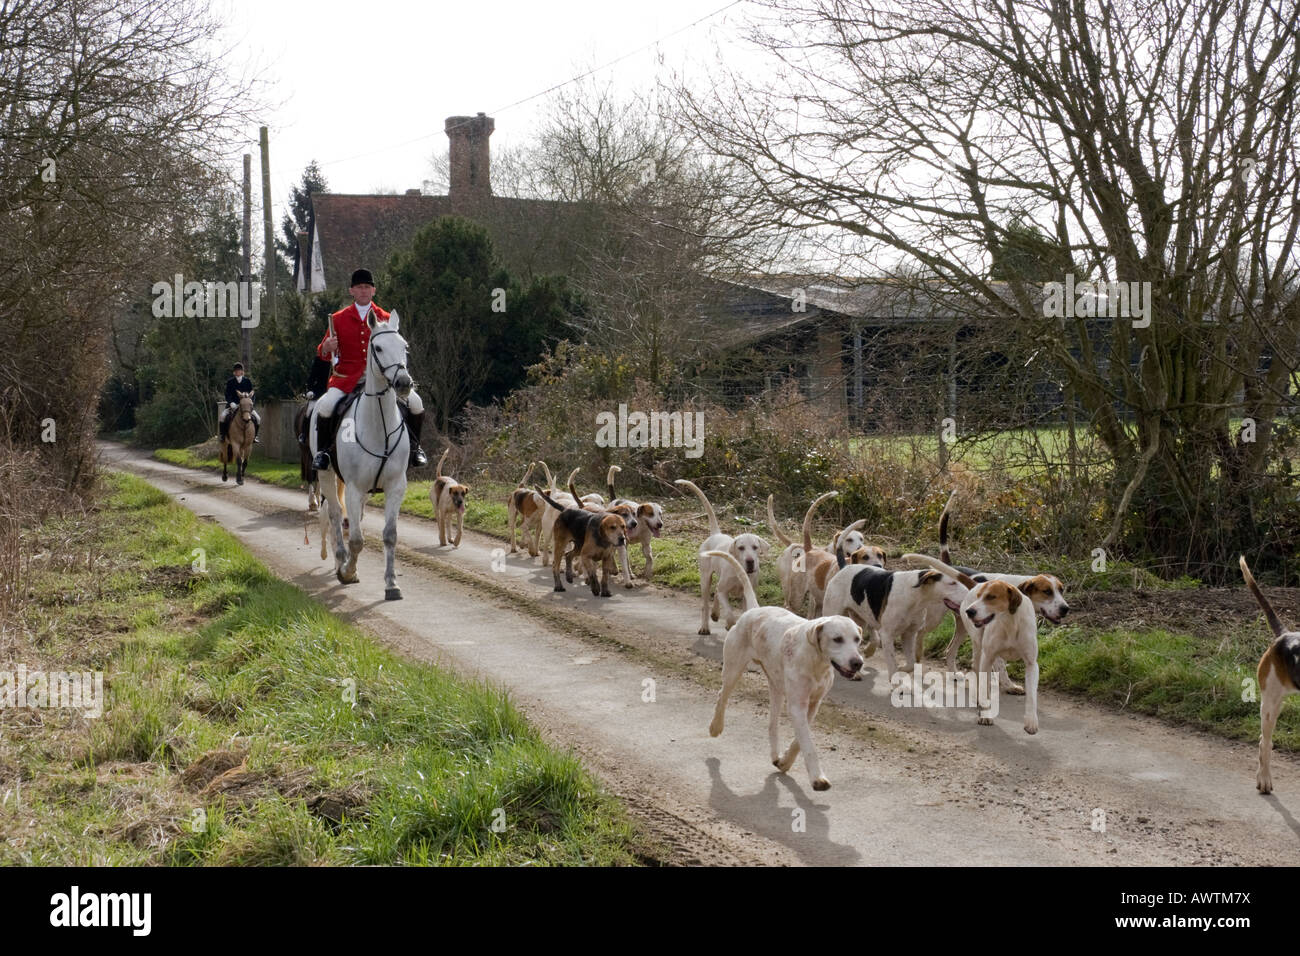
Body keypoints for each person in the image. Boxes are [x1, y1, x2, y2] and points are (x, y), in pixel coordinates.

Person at [310, 268, 428, 471]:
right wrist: (327, 347)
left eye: (367, 287)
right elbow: (322, 352)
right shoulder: (338, 319)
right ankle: (323, 453)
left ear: (373, 291)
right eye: (359, 287)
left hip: (383, 380)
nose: (363, 291)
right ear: (351, 291)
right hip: (347, 379)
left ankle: (416, 449)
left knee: (416, 403)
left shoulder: (385, 317)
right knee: (326, 406)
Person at [220, 362, 260, 442]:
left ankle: (255, 436)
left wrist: (251, 403)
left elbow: (252, 393)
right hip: (233, 405)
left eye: (239, 370)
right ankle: (223, 435)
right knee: (222, 416)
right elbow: (227, 394)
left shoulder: (247, 381)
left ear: (242, 372)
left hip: (246, 406)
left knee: (258, 418)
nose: (238, 372)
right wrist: (231, 403)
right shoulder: (230, 382)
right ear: (234, 372)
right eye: (236, 370)